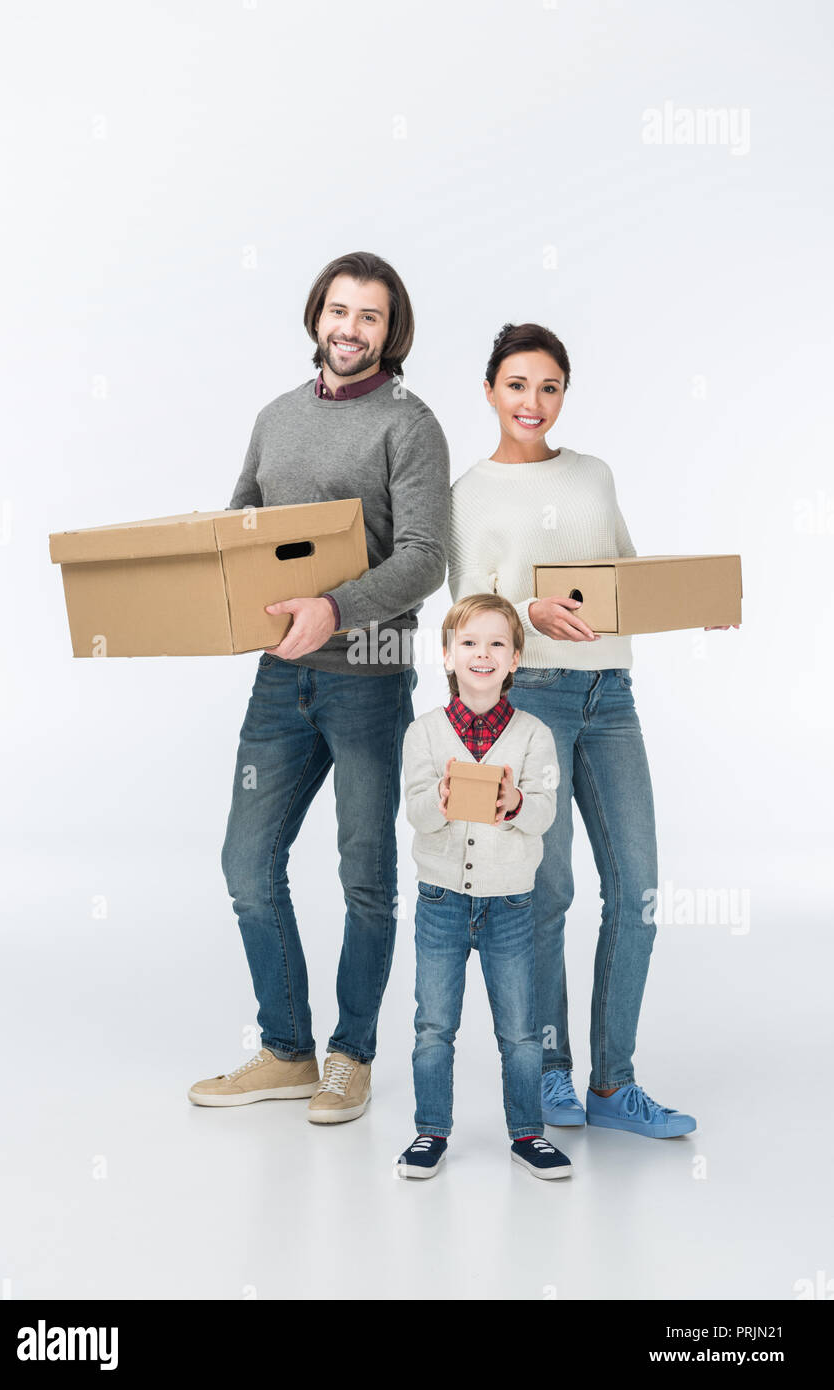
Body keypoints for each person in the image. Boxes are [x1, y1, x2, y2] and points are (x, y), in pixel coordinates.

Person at [448, 323, 737, 1138]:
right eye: (515, 386)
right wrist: (522, 612)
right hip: (530, 695)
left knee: (637, 891)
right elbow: (467, 607)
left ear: (562, 394)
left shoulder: (594, 474)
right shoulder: (468, 490)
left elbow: (625, 572)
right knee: (547, 894)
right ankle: (548, 1075)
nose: (531, 403)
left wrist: (693, 604)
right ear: (489, 391)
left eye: (547, 387)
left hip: (610, 698)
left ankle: (613, 1086)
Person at [188, 252, 450, 1123]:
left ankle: (352, 1056)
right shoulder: (274, 418)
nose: (349, 328)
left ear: (390, 331)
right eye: (338, 311)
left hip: (368, 676)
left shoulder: (409, 424)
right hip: (279, 679)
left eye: (368, 317)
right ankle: (287, 1050)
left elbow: (422, 559)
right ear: (316, 318)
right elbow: (243, 525)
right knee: (246, 864)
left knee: (366, 876)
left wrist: (333, 608)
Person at [395, 594, 572, 1180]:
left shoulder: (534, 735)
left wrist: (517, 801)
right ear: (447, 655)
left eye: (497, 643)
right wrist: (441, 802)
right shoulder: (423, 734)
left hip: (511, 903)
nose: (483, 654)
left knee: (521, 1030)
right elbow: (417, 814)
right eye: (469, 642)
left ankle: (528, 1133)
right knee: (434, 1024)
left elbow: (545, 813)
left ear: (516, 658)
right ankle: (430, 1132)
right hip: (441, 901)